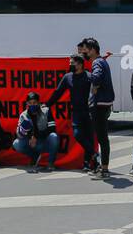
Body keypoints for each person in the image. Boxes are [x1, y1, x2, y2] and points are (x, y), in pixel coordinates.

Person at [46, 54, 92, 172]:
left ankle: (87, 163)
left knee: (89, 137)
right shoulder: (68, 77)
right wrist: (47, 104)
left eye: (73, 63)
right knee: (77, 134)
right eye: (70, 63)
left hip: (89, 112)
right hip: (76, 112)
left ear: (80, 64)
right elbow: (58, 92)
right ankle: (94, 154)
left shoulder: (88, 76)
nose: (70, 65)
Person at [83, 38, 115, 179]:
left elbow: (96, 78)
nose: (85, 53)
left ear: (93, 50)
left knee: (102, 138)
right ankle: (103, 168)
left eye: (87, 50)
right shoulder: (102, 61)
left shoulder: (97, 62)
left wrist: (88, 76)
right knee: (103, 137)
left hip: (99, 105)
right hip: (105, 104)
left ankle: (104, 170)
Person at [14, 91, 60, 172]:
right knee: (16, 144)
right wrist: (24, 131)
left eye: (34, 102)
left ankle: (51, 163)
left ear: (38, 102)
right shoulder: (23, 115)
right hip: (31, 143)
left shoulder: (46, 111)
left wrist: (36, 136)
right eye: (30, 103)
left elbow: (52, 128)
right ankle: (35, 156)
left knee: (54, 137)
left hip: (43, 142)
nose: (32, 105)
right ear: (27, 103)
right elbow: (18, 134)